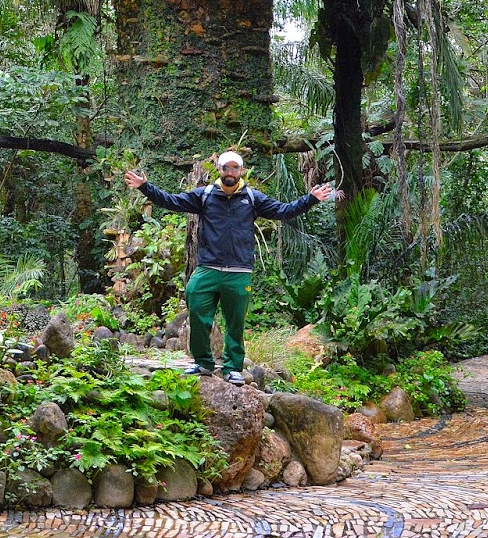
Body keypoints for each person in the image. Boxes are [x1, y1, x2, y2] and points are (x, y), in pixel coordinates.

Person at [124, 151, 340, 384]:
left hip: (239, 271)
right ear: (219, 169)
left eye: (234, 168)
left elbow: (284, 211)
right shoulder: (205, 195)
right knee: (196, 307)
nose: (230, 172)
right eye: (226, 167)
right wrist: (145, 187)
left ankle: (233, 368)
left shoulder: (252, 198)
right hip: (208, 267)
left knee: (235, 323)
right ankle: (203, 362)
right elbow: (171, 201)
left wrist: (311, 199)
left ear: (241, 170)